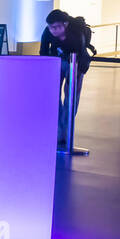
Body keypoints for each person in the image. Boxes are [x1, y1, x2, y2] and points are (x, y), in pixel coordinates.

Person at [40, 8, 96, 146]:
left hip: (77, 64)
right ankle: (58, 130)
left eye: (56, 27)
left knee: (71, 97)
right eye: (50, 27)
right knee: (53, 96)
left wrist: (77, 71)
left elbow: (80, 51)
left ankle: (66, 129)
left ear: (65, 24)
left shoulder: (76, 31)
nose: (53, 30)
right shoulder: (48, 31)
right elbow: (43, 51)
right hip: (56, 63)